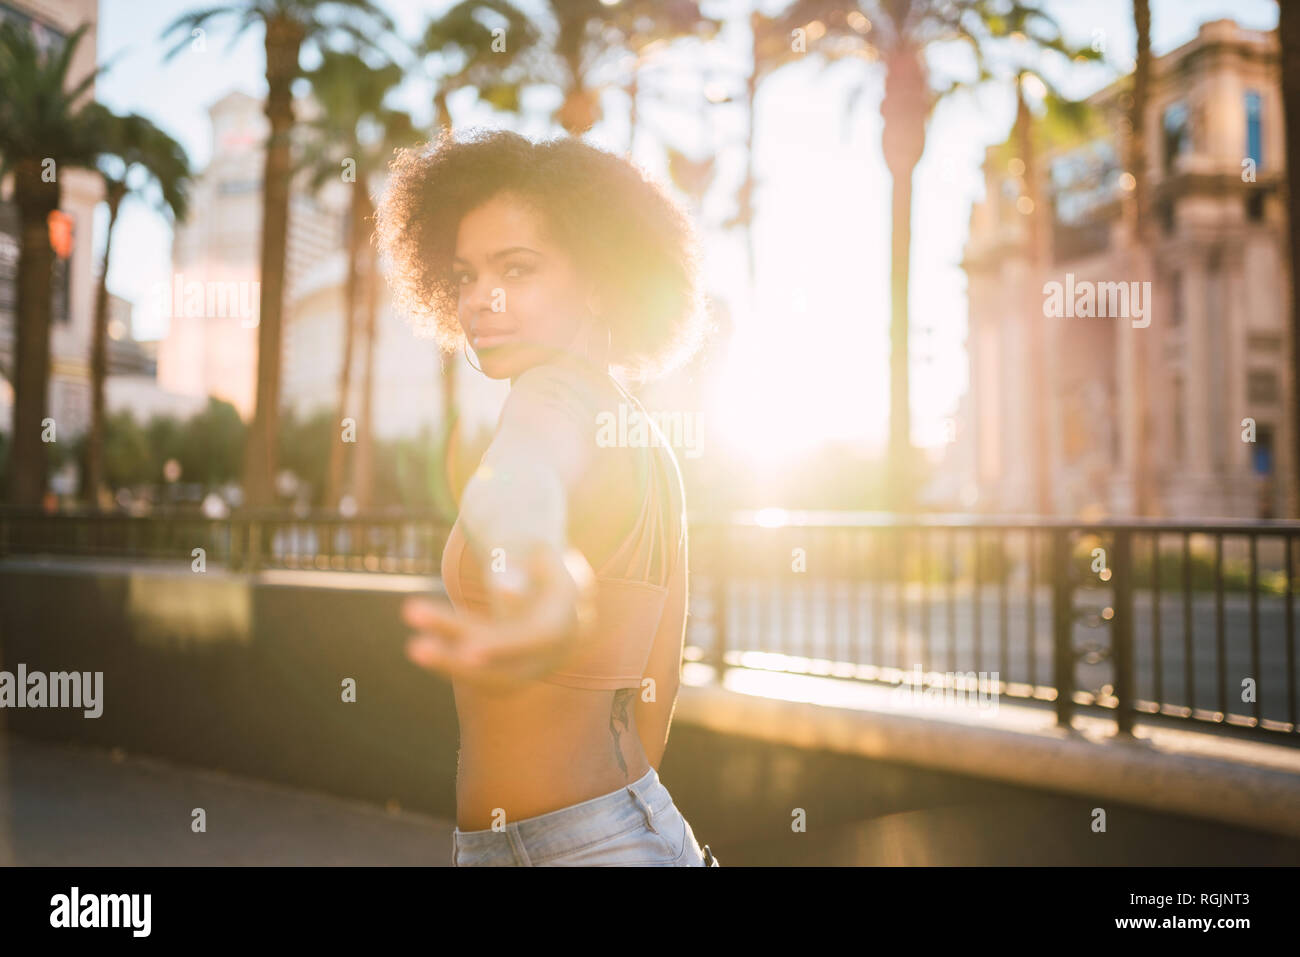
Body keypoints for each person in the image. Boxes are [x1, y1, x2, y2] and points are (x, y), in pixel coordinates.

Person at [375, 128, 719, 866]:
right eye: (464, 275)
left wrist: (533, 563)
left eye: (517, 269)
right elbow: (653, 700)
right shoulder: (648, 446)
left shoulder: (549, 391)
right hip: (628, 832)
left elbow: (526, 472)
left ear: (598, 277)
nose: (479, 301)